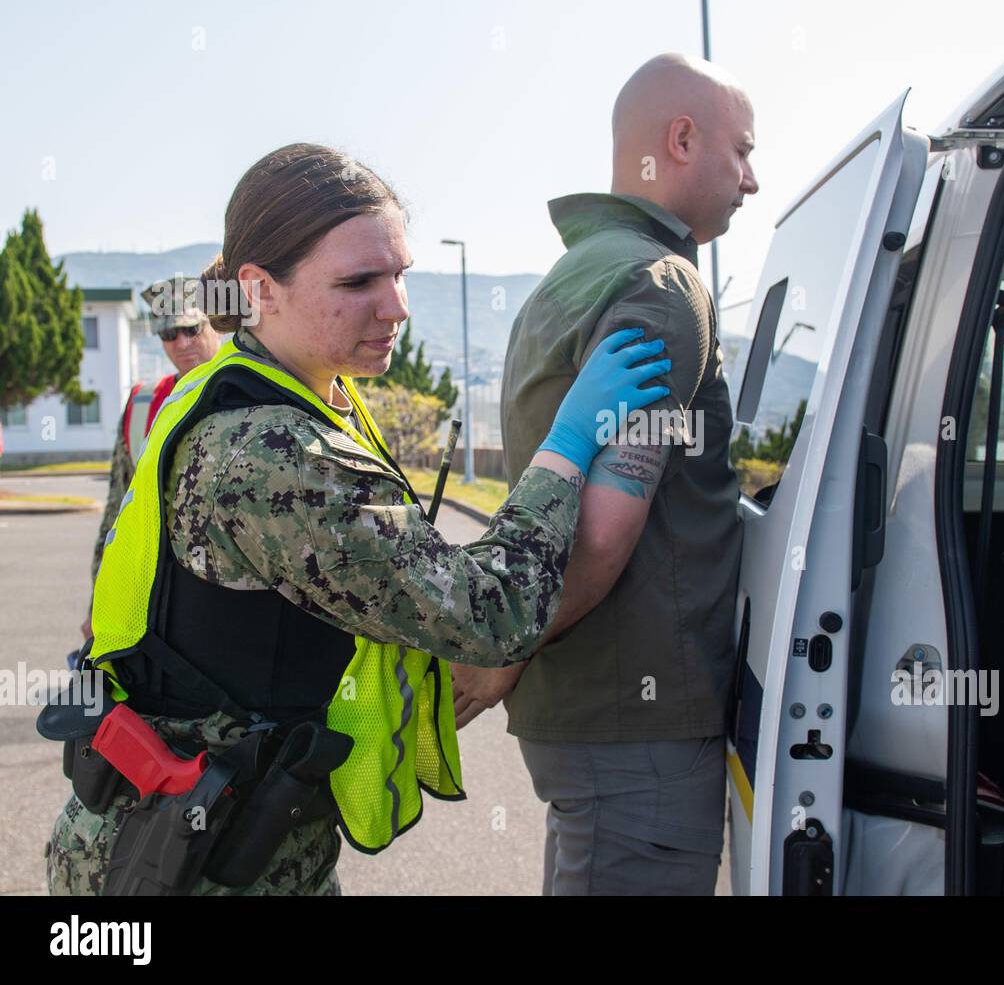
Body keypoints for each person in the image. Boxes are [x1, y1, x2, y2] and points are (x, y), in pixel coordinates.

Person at [43, 142, 672, 896]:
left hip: (224, 838)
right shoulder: (268, 452)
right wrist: (566, 448)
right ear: (259, 289)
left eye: (399, 272)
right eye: (358, 281)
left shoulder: (281, 392)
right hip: (184, 864)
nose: (398, 305)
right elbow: (493, 612)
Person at [456, 52, 758, 895]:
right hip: (639, 722)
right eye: (743, 151)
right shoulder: (661, 286)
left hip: (597, 713)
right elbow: (602, 527)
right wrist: (501, 649)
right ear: (684, 140)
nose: (752, 179)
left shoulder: (573, 274)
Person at [80, 280, 222, 646]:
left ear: (216, 324)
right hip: (150, 603)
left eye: (192, 328)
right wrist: (99, 601)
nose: (182, 343)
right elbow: (117, 511)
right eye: (168, 333)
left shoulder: (251, 395)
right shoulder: (143, 404)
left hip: (226, 606)